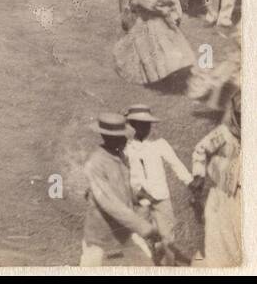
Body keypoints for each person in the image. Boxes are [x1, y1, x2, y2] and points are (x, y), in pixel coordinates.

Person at [79, 112, 158, 265]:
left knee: (146, 264)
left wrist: (139, 195)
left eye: (124, 135)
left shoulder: (120, 157)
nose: (125, 139)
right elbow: (110, 202)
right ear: (107, 137)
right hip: (100, 236)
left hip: (123, 232)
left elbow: (123, 188)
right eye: (119, 137)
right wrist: (144, 227)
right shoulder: (95, 163)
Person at [123, 105, 191, 253]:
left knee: (168, 237)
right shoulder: (127, 148)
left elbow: (176, 164)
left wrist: (189, 181)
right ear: (133, 125)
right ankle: (150, 261)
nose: (145, 128)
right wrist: (135, 190)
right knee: (142, 237)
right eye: (141, 124)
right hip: (140, 200)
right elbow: (123, 173)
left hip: (161, 198)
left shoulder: (159, 144)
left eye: (147, 124)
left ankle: (167, 263)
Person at [189, 91, 241, 267]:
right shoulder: (224, 133)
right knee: (219, 238)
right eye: (240, 115)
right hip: (222, 196)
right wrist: (199, 174)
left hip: (243, 196)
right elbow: (200, 150)